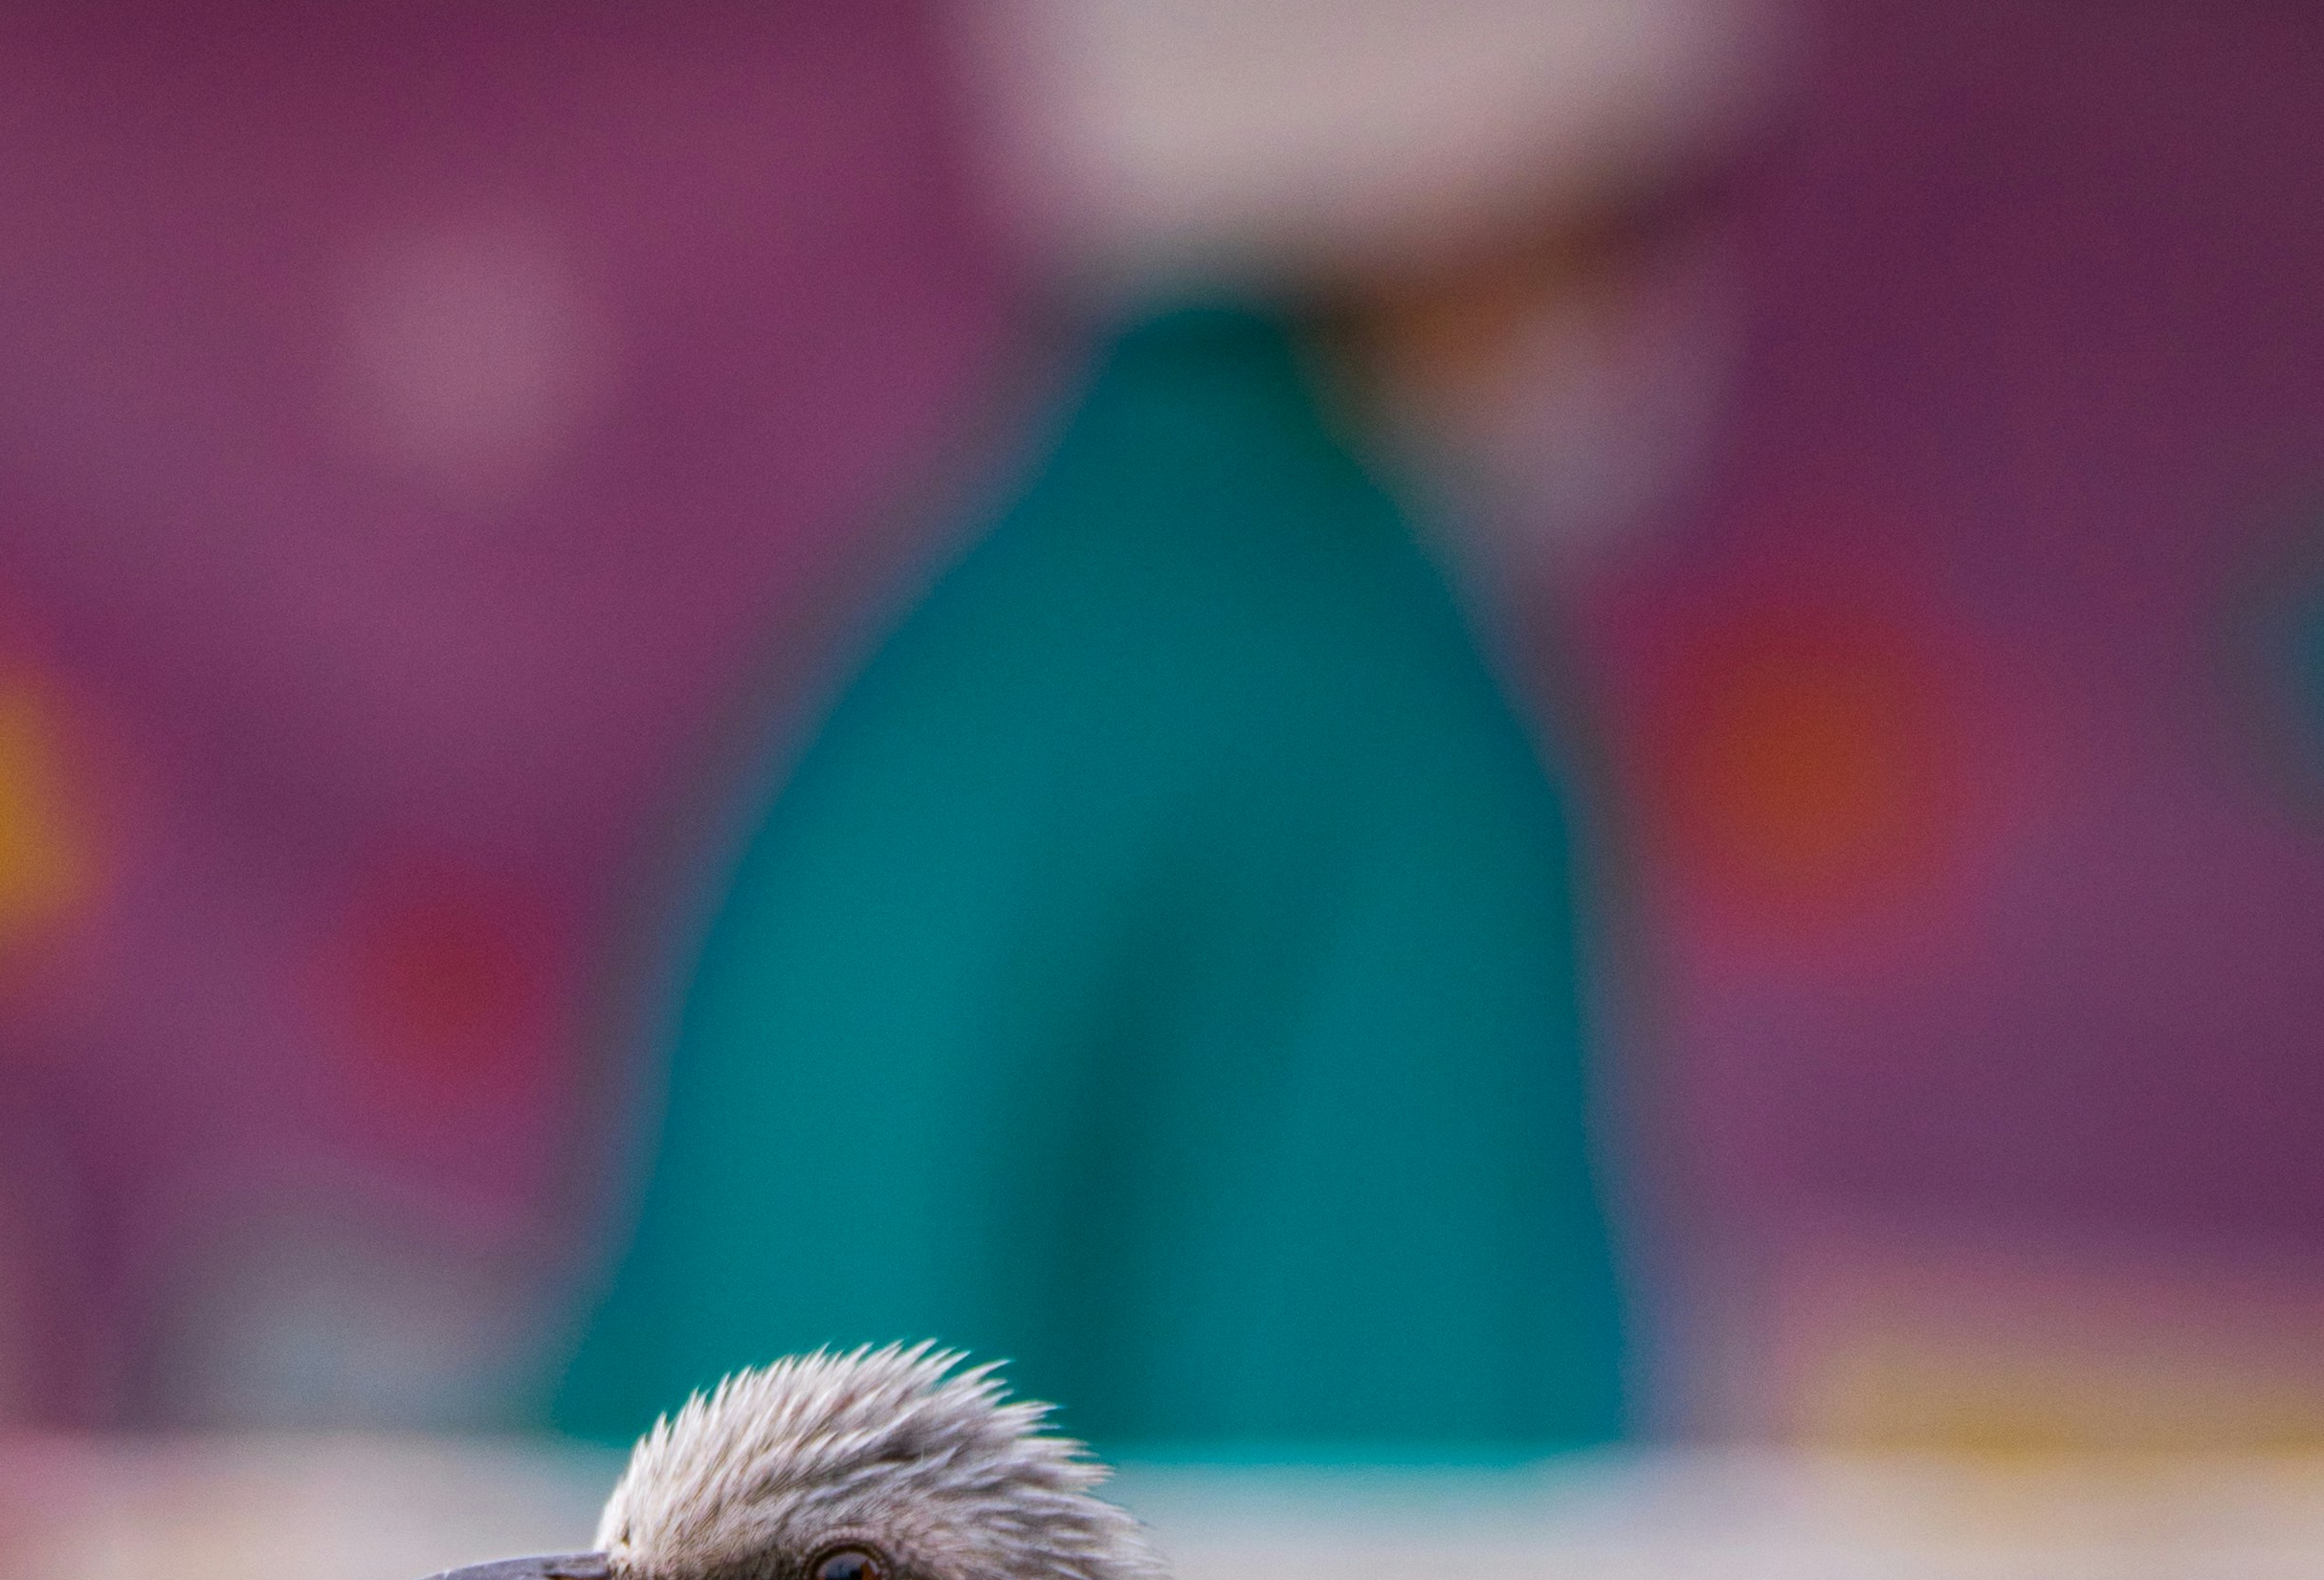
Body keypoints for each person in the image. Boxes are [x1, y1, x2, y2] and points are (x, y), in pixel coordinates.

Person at [548, 0, 1778, 1465]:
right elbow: (1418, 1508)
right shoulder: (1364, 707)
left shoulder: (985, 628)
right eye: (1626, 217)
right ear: (1466, 204)